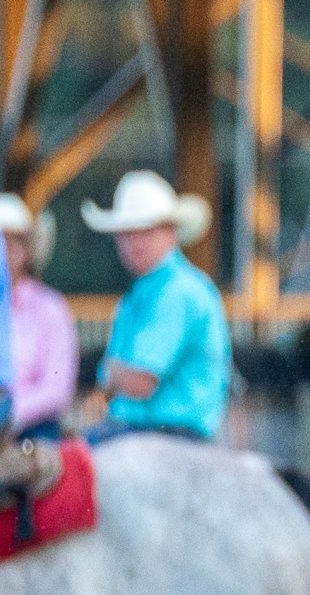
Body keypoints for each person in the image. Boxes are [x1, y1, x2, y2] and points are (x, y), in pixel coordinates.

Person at [80, 171, 228, 442]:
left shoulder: (177, 291)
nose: (134, 241)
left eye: (146, 231)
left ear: (171, 233)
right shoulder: (144, 292)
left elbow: (139, 382)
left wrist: (112, 373)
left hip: (170, 435)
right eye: (126, 232)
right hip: (143, 432)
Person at [0, 195, 76, 441]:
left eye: (12, 242)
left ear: (27, 250)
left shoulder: (50, 308)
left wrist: (6, 414)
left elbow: (56, 390)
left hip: (28, 428)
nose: (3, 251)